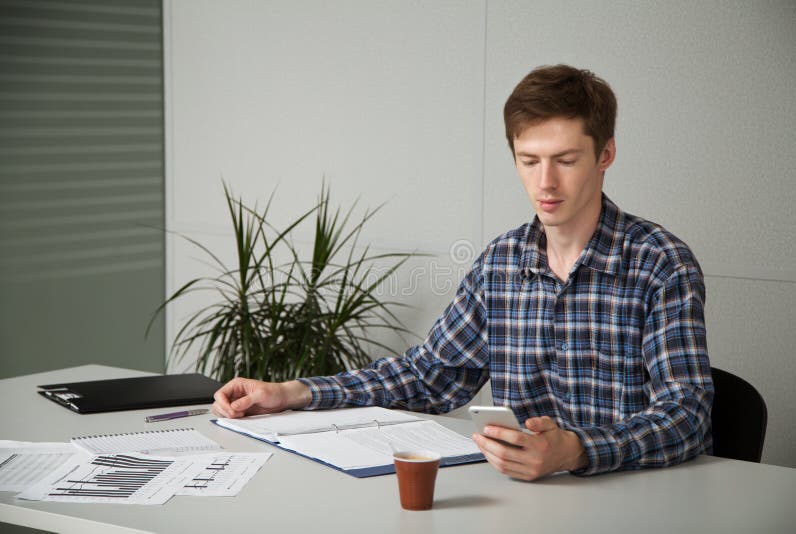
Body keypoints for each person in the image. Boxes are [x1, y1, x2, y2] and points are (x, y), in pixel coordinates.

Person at [212, 64, 714, 481]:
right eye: (529, 160)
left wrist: (576, 449)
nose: (545, 182)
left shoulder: (659, 263)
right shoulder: (500, 263)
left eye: (565, 160)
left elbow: (687, 416)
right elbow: (428, 378)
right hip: (520, 505)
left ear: (605, 154)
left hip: (637, 504)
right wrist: (291, 393)